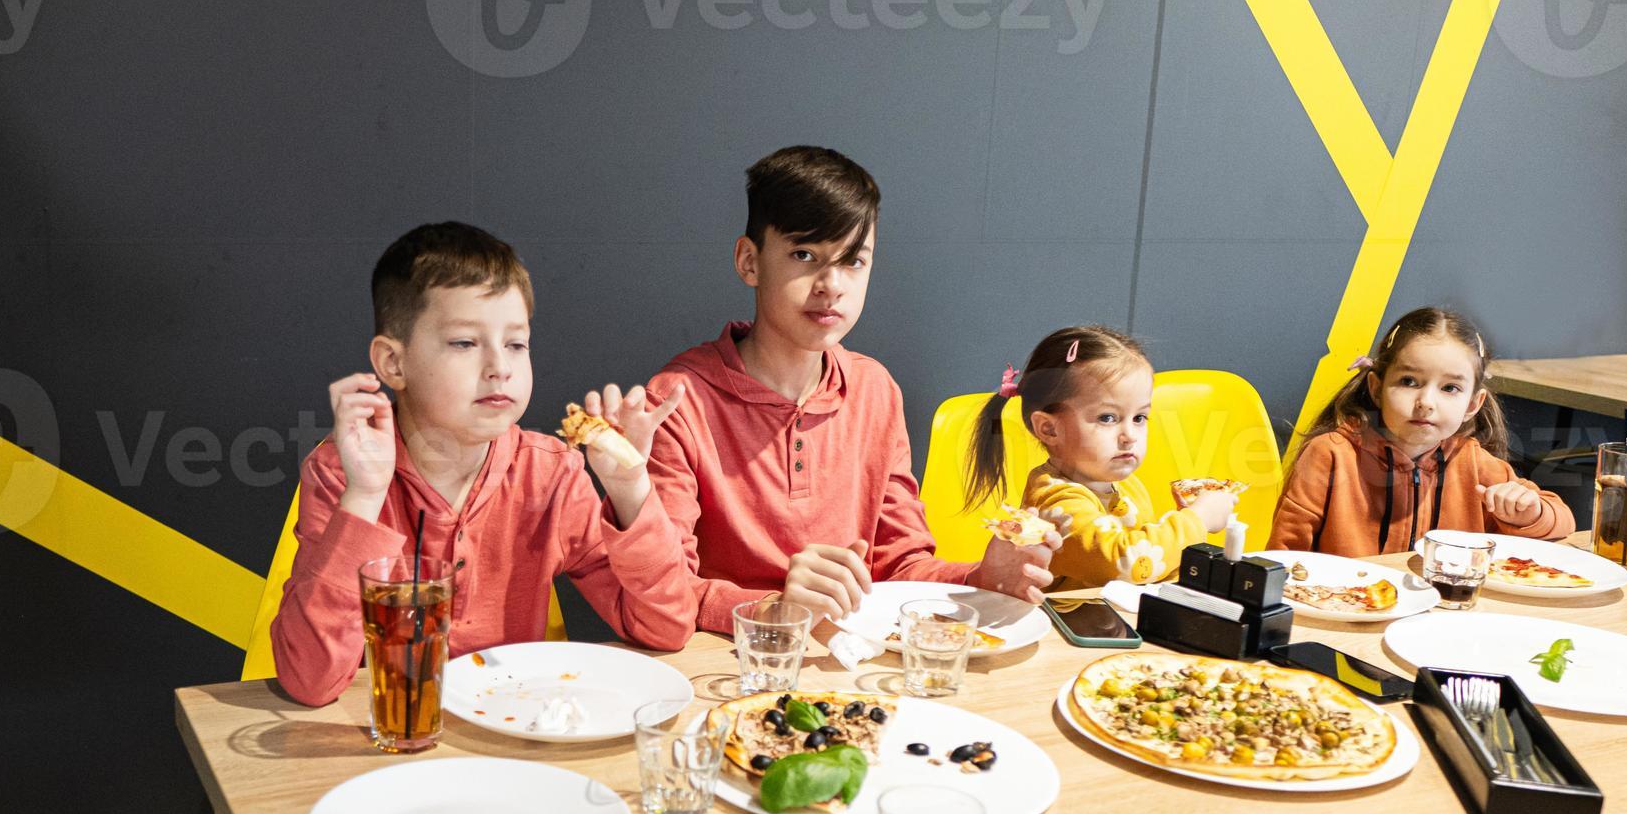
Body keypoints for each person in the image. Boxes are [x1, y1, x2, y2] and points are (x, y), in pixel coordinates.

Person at [270, 221, 694, 705]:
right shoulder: (343, 475)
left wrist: (630, 487)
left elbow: (667, 627)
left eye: (516, 343)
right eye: (465, 343)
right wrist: (364, 498)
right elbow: (308, 680)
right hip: (394, 737)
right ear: (393, 363)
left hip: (515, 733)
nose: (500, 366)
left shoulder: (552, 472)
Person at [647, 146, 1053, 631]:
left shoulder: (874, 388)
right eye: (804, 255)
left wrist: (982, 579)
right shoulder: (676, 400)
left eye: (854, 261)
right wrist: (774, 611)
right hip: (733, 667)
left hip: (852, 672)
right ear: (749, 261)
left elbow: (900, 566)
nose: (832, 285)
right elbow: (662, 589)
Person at [1271, 305, 1575, 556]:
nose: (1426, 402)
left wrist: (1530, 514)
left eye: (1450, 388)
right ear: (1376, 388)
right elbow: (1283, 558)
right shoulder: (1331, 454)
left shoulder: (1478, 465)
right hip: (1343, 612)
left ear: (1473, 403)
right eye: (1408, 382)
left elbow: (1563, 520)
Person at [962, 325, 1236, 589]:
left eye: (1139, 417)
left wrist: (1183, 522)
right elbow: (1124, 563)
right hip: (1062, 632)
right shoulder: (1057, 500)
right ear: (1049, 428)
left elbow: (1149, 567)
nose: (1129, 435)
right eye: (1107, 418)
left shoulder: (1125, 485)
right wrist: (1196, 520)